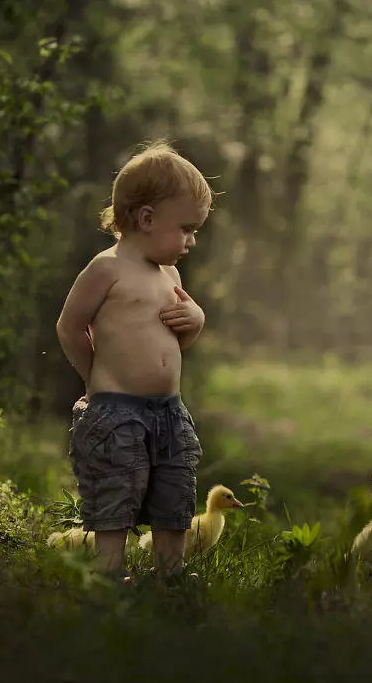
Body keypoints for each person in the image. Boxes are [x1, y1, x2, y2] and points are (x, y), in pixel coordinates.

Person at [56, 141, 213, 580]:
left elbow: (172, 343)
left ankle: (170, 572)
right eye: (185, 229)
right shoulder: (106, 269)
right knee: (116, 486)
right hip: (115, 412)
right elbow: (69, 327)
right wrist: (95, 379)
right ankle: (109, 570)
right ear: (146, 219)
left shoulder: (171, 276)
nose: (191, 241)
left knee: (174, 485)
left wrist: (195, 320)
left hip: (169, 411)